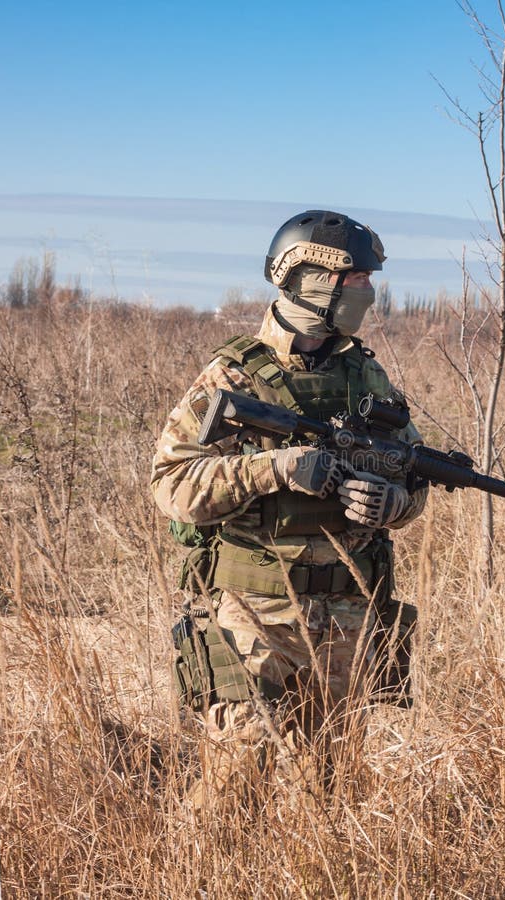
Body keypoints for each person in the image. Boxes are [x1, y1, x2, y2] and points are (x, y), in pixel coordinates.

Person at [151, 210, 428, 805]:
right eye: (356, 281)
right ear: (310, 280)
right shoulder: (233, 374)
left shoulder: (367, 376)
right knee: (233, 778)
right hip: (255, 609)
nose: (369, 293)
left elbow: (412, 475)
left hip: (347, 614)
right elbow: (171, 484)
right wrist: (272, 468)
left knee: (327, 787)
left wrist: (391, 504)